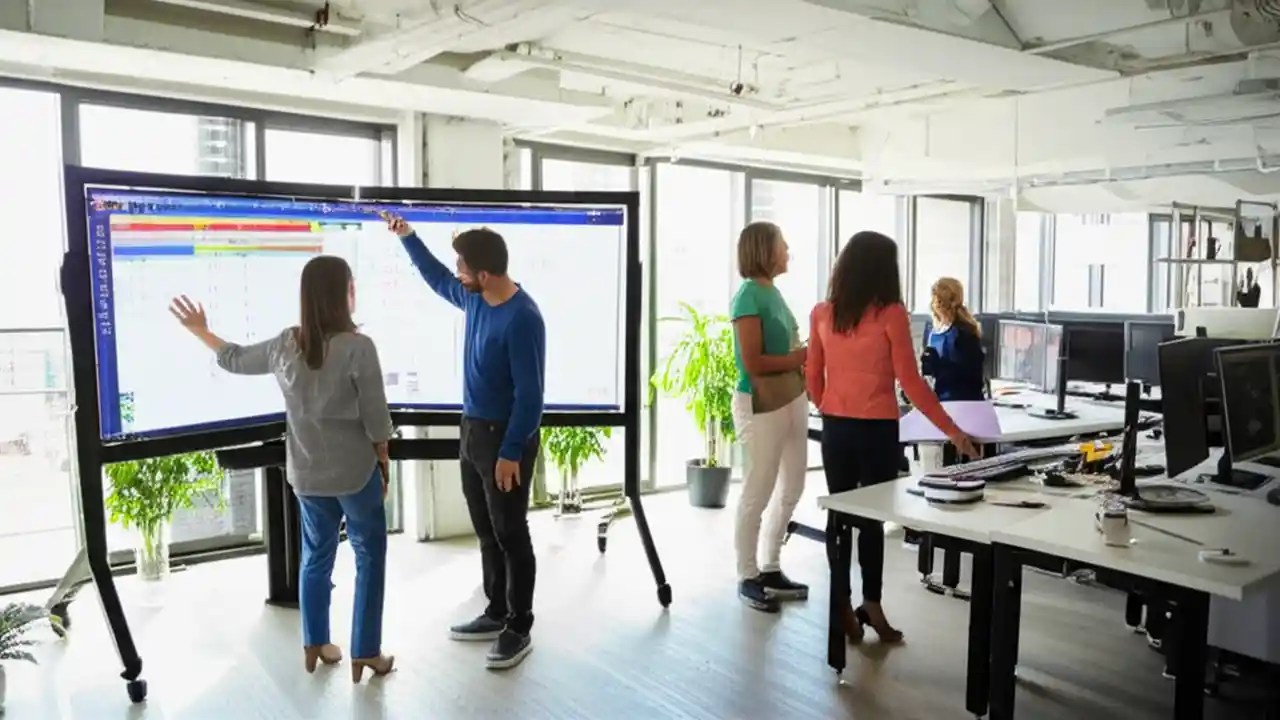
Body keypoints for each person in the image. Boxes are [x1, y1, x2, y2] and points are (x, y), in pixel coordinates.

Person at [168, 256, 395, 683]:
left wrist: (200, 331)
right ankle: (366, 653)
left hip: (307, 475)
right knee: (370, 557)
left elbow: (233, 358)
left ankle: (315, 643)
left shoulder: (284, 345)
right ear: (344, 292)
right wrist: (383, 459)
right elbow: (377, 419)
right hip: (355, 473)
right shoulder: (358, 347)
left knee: (316, 558)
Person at [385, 213, 545, 671]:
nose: (457, 273)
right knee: (487, 528)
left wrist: (512, 451)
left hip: (505, 437)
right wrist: (408, 238)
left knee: (512, 531)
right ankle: (496, 610)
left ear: (485, 275)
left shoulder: (523, 318)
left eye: (463, 268)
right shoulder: (474, 298)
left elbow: (531, 396)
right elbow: (437, 278)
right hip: (472, 429)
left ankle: (519, 625)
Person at [807, 231, 978, 643]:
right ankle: (873, 603)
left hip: (837, 429)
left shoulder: (822, 313)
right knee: (871, 521)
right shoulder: (892, 313)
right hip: (878, 430)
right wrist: (953, 431)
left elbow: (812, 376)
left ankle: (842, 605)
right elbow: (912, 384)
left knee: (840, 517)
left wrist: (831, 403)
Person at [729, 221, 810, 613]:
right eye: (782, 244)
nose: (788, 249)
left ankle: (771, 566)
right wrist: (800, 358)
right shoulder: (747, 296)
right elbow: (753, 362)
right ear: (765, 250)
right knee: (758, 489)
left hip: (792, 398)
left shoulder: (773, 293)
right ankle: (748, 575)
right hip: (760, 403)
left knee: (793, 484)